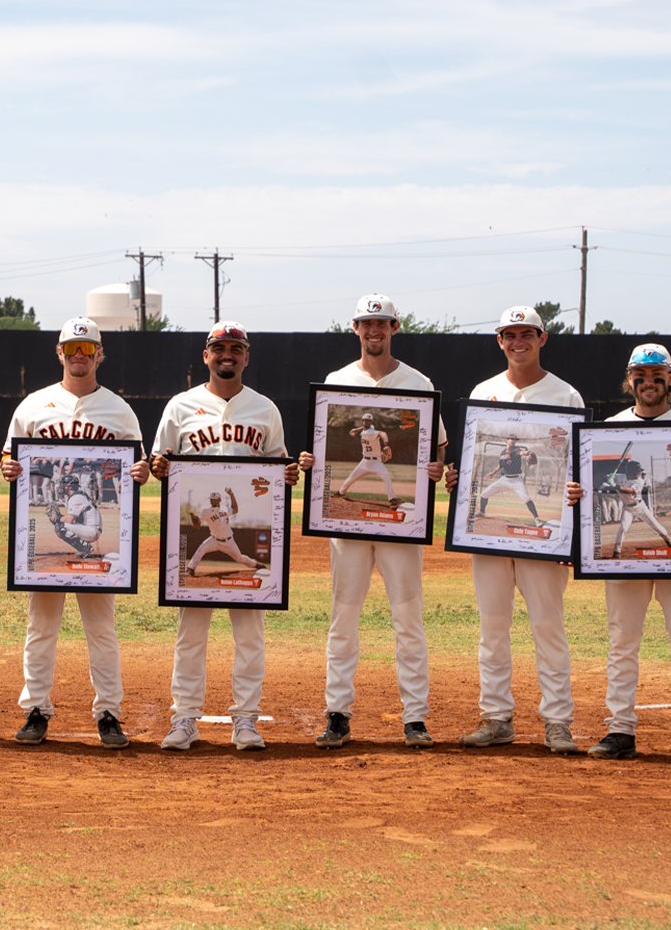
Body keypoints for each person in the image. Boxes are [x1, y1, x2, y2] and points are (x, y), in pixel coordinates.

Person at [295, 294, 446, 749]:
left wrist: (435, 468)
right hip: (347, 531)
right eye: (366, 323)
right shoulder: (337, 381)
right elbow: (324, 439)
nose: (374, 330)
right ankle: (337, 713)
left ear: (394, 327)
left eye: (381, 323)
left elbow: (435, 445)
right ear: (356, 328)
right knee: (344, 614)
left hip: (402, 527)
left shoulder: (418, 381)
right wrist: (311, 461)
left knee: (408, 615)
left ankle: (414, 717)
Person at [0, 318, 149, 749]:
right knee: (41, 625)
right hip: (47, 533)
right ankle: (36, 709)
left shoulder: (119, 410)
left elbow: (134, 468)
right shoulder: (33, 406)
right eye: (72, 348)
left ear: (100, 353)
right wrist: (10, 468)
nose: (79, 355)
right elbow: (11, 460)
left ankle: (108, 713)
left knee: (101, 627)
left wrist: (138, 473)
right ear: (60, 353)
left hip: (98, 523)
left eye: (87, 348)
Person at [150, 321, 297, 753]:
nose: (226, 355)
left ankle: (246, 720)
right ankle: (184, 718)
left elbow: (276, 470)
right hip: (198, 533)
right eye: (219, 348)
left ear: (246, 356)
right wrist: (160, 468)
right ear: (206, 356)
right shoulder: (180, 406)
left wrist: (287, 473)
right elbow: (160, 460)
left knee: (249, 633)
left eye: (236, 348)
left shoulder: (265, 409)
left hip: (231, 531)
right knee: (190, 632)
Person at [445, 306, 585, 754]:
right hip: (486, 540)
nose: (518, 341)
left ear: (543, 338)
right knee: (493, 626)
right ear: (499, 341)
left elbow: (577, 472)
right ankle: (495, 717)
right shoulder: (483, 392)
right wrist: (457, 480)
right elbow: (469, 460)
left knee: (548, 625)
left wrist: (571, 536)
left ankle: (558, 720)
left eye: (527, 333)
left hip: (544, 541)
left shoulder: (566, 396)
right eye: (510, 334)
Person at [581, 344, 671, 766]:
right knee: (622, 641)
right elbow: (596, 486)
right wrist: (581, 491)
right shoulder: (611, 428)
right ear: (630, 378)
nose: (649, 381)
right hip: (625, 554)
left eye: (658, 374)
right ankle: (620, 729)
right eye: (641, 373)